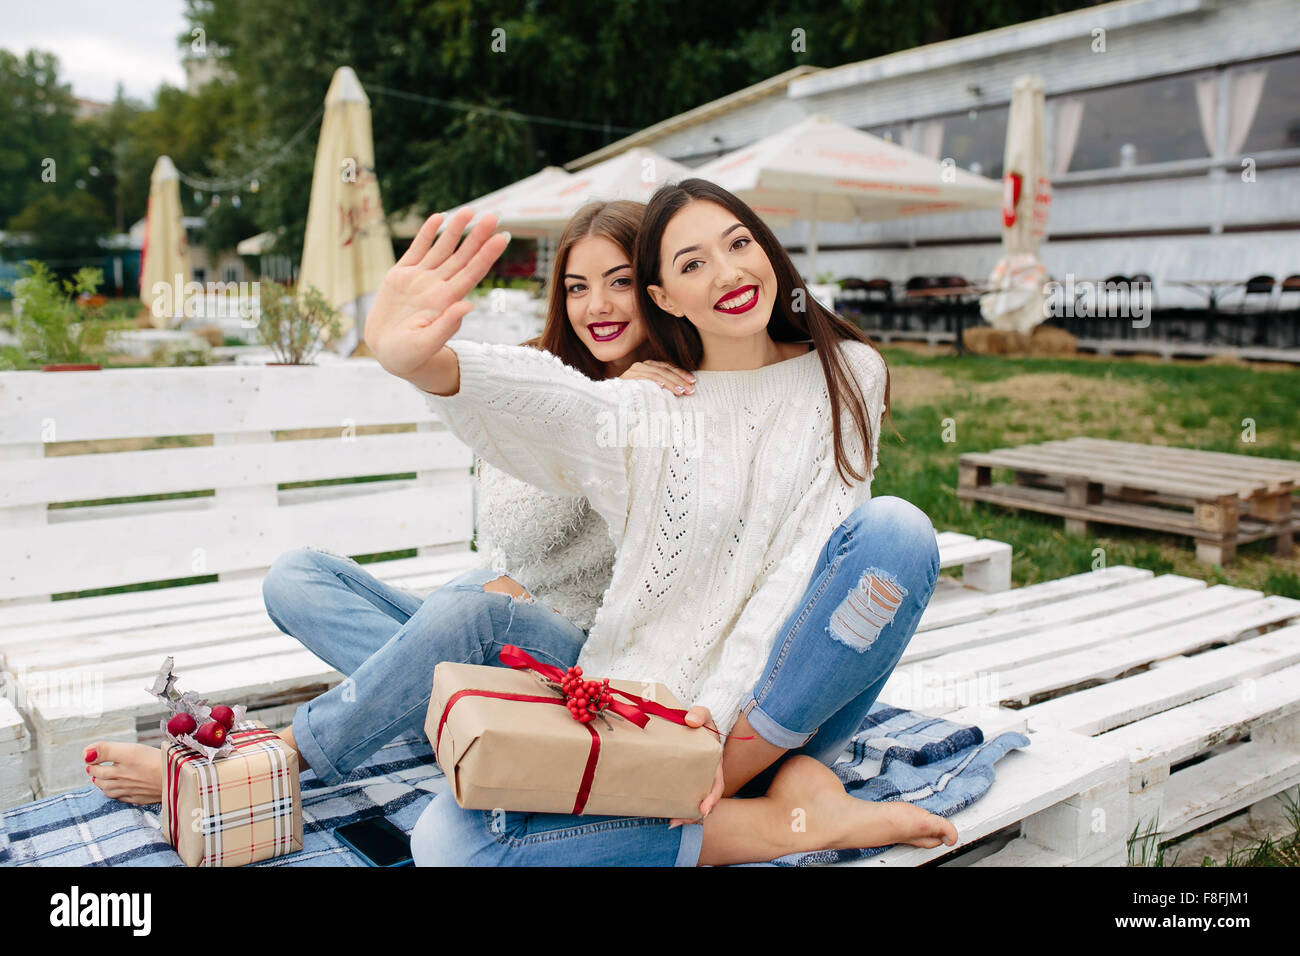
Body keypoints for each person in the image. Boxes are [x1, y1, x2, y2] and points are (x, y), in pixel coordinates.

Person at [365, 178, 955, 866]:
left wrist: (715, 743)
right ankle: (790, 820)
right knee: (447, 844)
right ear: (665, 298)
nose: (727, 272)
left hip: (782, 712)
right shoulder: (651, 406)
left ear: (767, 250)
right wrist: (427, 365)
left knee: (897, 533)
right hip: (649, 705)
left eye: (738, 243)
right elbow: (555, 404)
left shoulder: (848, 371)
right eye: (692, 263)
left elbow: (798, 565)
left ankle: (724, 795)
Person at [79, 199, 698, 803]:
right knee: (295, 578)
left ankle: (262, 765)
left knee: (466, 611)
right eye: (577, 287)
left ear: (656, 287)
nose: (597, 306)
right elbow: (503, 519)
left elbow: (652, 564)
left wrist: (620, 412)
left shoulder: (676, 398)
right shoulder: (540, 373)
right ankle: (451, 719)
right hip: (492, 620)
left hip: (573, 653)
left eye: (619, 281)